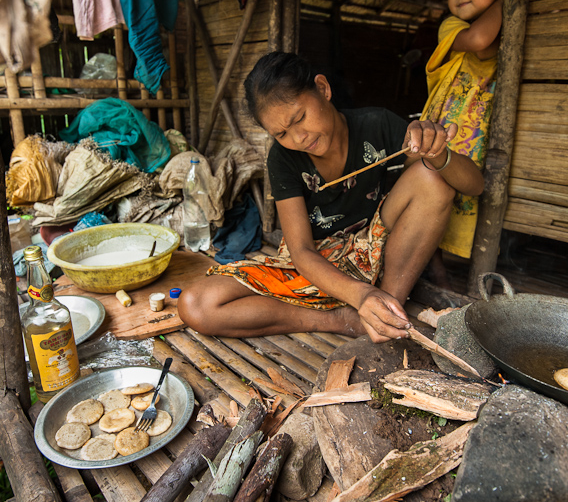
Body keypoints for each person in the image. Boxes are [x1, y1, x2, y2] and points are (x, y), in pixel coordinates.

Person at [179, 52, 484, 343]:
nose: (298, 137)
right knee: (197, 304)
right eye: (282, 133)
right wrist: (359, 295)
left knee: (431, 176)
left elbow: (475, 186)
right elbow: (300, 252)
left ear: (322, 89)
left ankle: (387, 309)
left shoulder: (377, 125)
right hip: (317, 266)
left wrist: (439, 153)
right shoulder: (283, 159)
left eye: (299, 117)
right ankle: (347, 319)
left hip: (376, 248)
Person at [421, 0, 511, 284]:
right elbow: (479, 41)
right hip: (448, 130)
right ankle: (434, 263)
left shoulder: (515, 31)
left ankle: (477, 273)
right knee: (435, 184)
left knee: (477, 192)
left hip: (481, 134)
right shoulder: (452, 26)